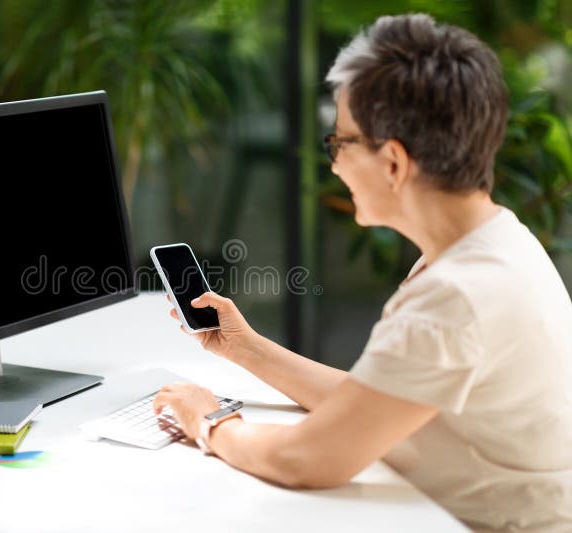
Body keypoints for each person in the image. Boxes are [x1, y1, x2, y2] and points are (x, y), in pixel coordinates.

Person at [153, 13, 572, 533]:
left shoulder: (457, 293)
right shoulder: (494, 242)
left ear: (393, 162)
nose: (334, 166)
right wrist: (245, 347)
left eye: (340, 143)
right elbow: (371, 402)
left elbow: (303, 460)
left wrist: (208, 422)